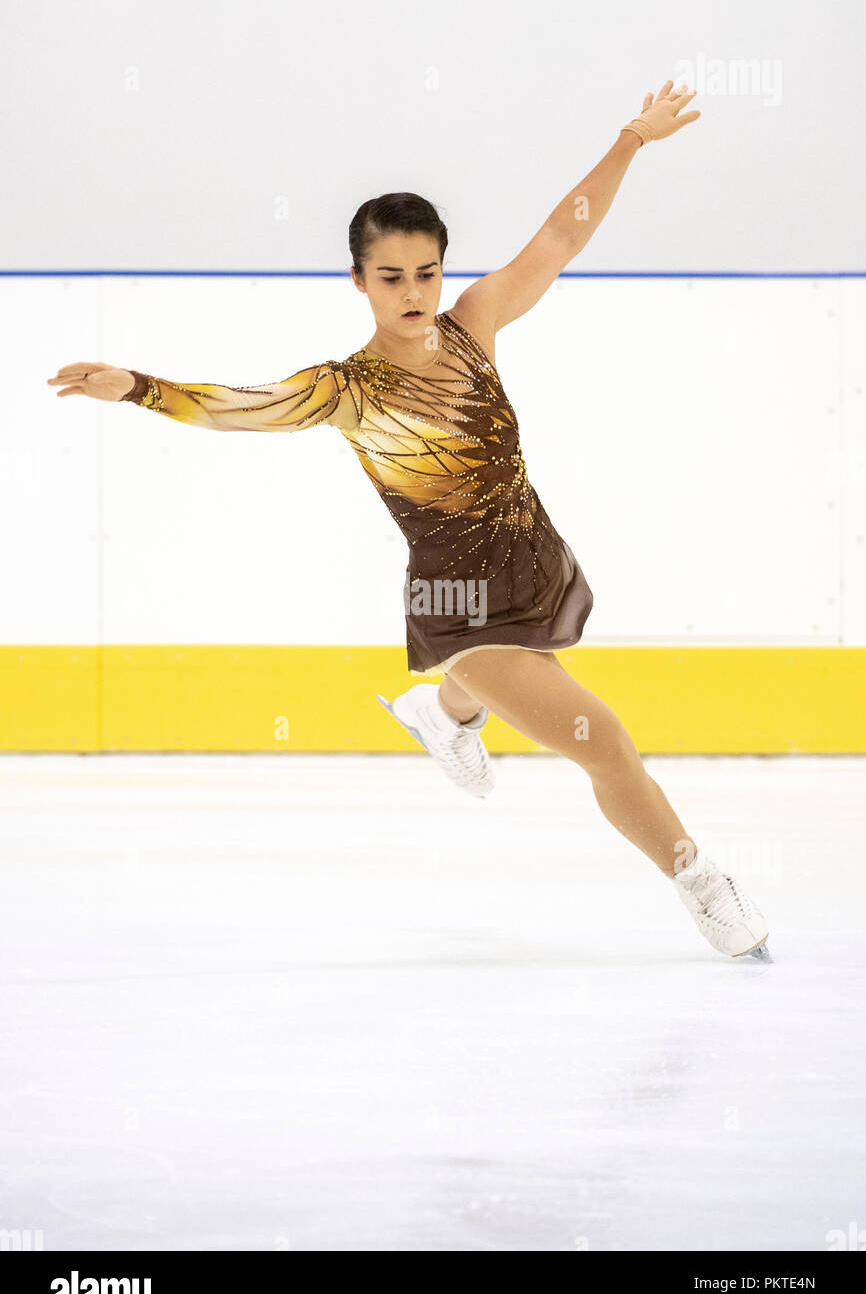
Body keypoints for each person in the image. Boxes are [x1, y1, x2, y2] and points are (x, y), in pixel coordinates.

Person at [46, 81, 770, 961]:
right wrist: (138, 387)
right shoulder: (346, 389)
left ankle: (445, 715)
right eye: (391, 276)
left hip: (529, 563)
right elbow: (240, 406)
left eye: (426, 271)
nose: (413, 290)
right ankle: (701, 883)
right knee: (602, 741)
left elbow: (562, 236)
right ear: (359, 281)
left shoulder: (475, 325)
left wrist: (631, 139)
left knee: (500, 685)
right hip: (455, 597)